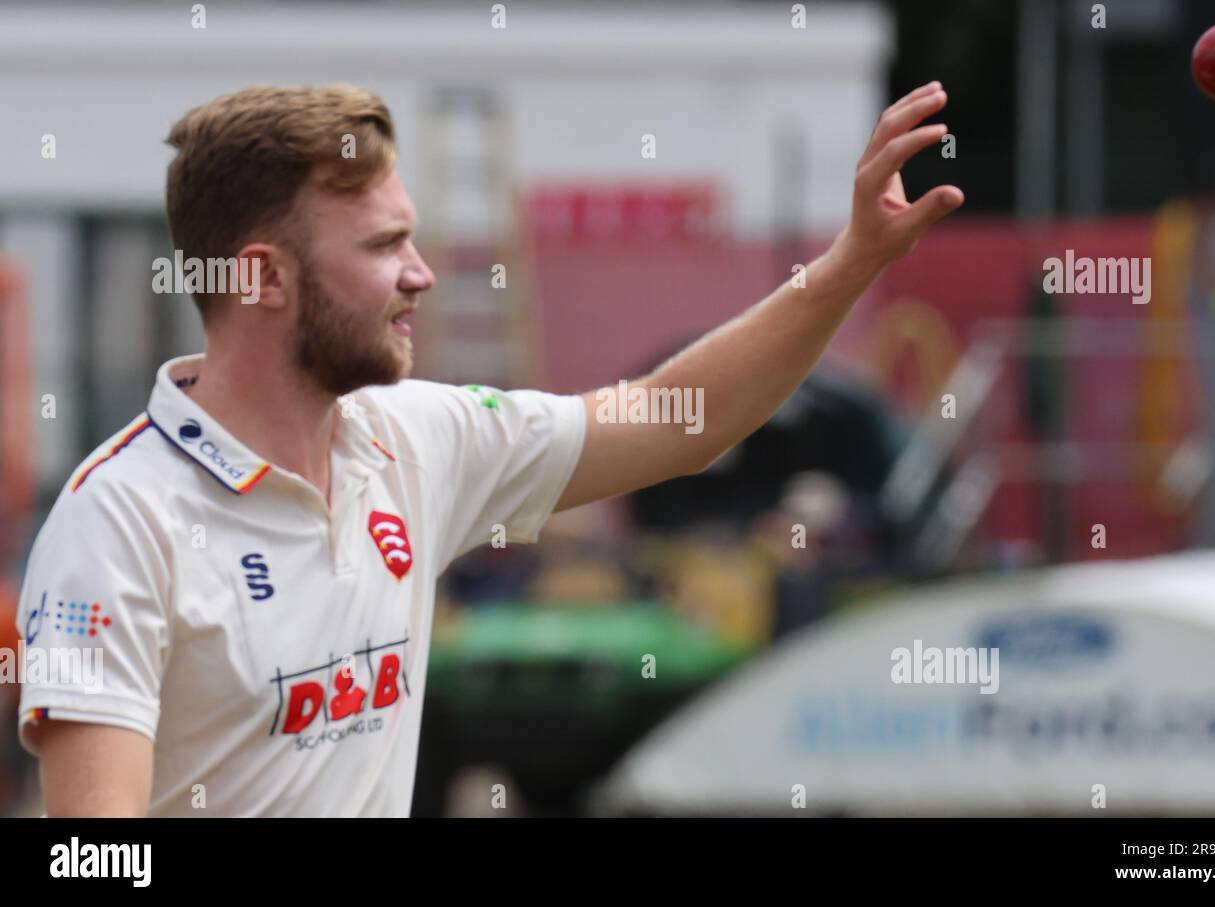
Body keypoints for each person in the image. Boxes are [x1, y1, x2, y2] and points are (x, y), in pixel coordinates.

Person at [15, 81, 961, 816]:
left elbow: (683, 419)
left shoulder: (415, 437)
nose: (422, 275)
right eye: (385, 245)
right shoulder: (118, 522)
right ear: (264, 277)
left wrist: (846, 267)